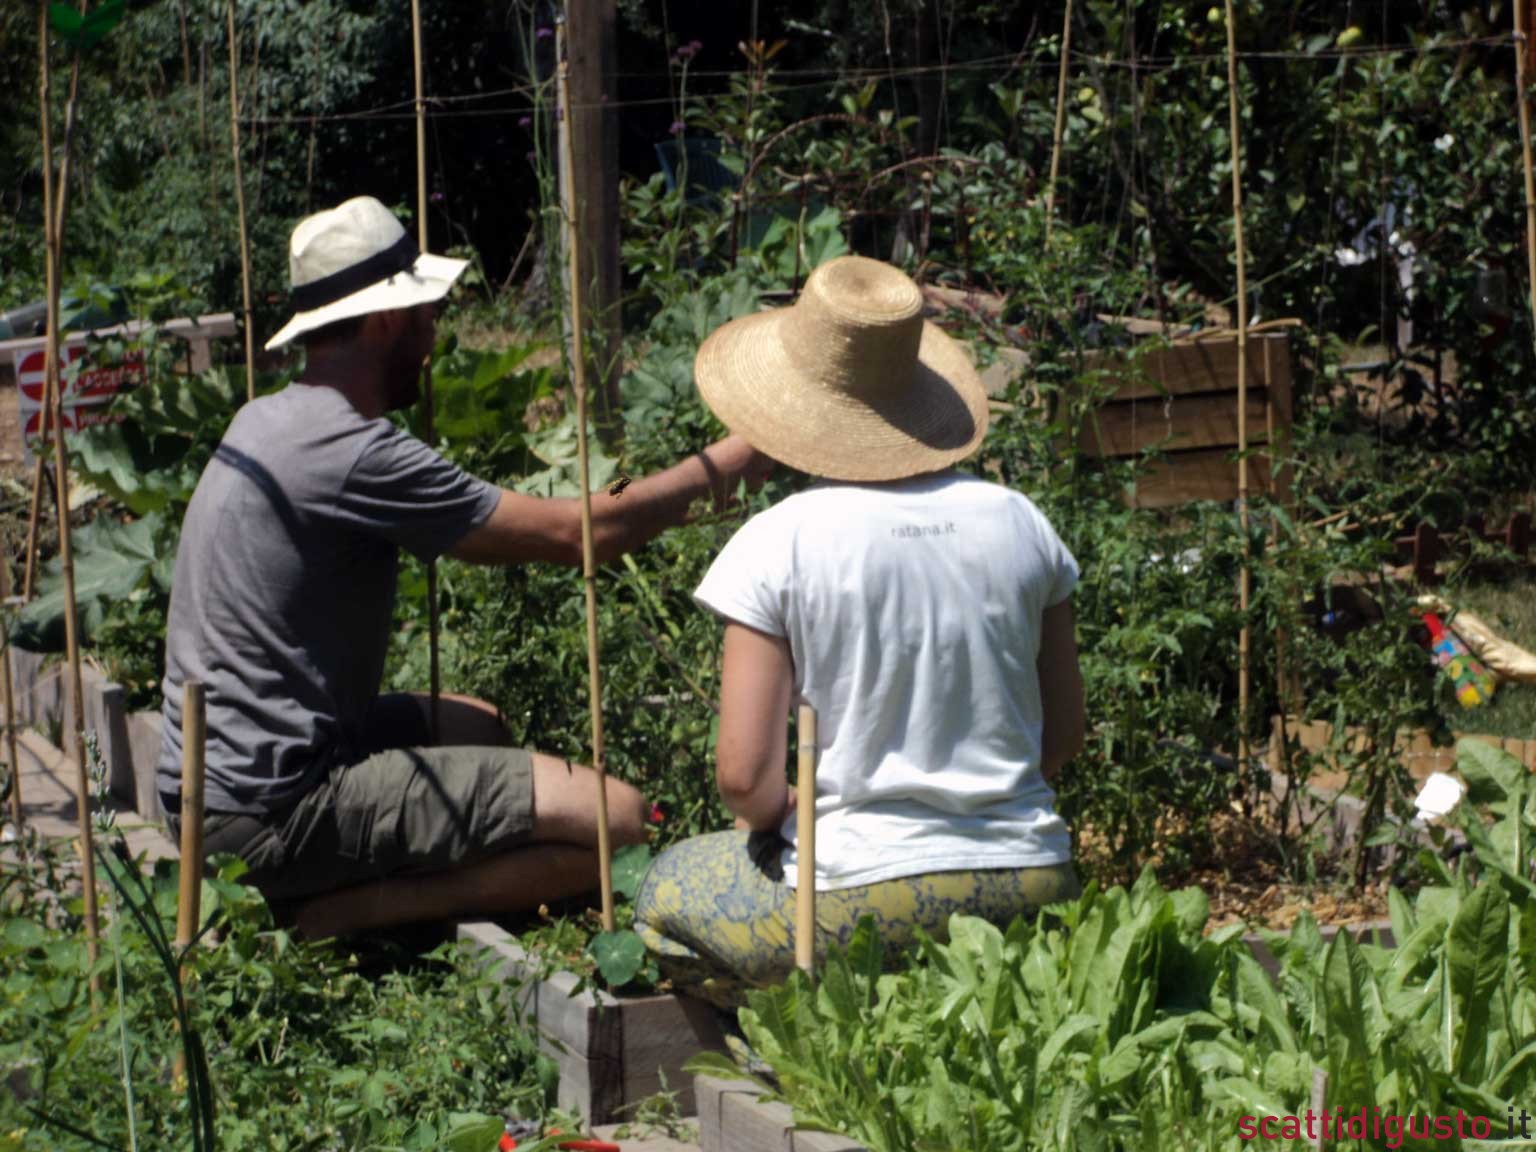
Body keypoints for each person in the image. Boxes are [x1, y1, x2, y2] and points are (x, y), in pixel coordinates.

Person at [156, 196, 770, 938]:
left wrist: (622, 491)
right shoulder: (352, 453)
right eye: (428, 314)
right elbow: (583, 533)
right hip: (267, 810)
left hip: (206, 785)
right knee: (623, 824)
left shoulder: (269, 418)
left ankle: (349, 874)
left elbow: (587, 511)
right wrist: (729, 458)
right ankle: (329, 913)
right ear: (387, 320)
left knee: (479, 725)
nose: (434, 334)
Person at [632, 255, 1084, 1007]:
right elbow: (1062, 736)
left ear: (789, 407)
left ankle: (828, 1014)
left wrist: (787, 820)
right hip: (1033, 885)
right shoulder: (1020, 522)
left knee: (664, 894)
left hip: (856, 901)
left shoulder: (783, 539)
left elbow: (744, 779)